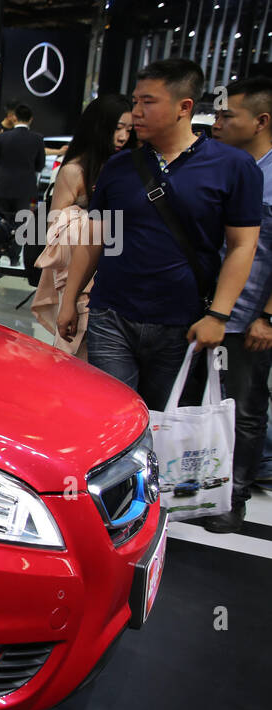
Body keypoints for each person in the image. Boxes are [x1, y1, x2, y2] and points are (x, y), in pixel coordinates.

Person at [57, 58, 262, 413]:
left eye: (148, 102)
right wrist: (70, 298)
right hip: (112, 314)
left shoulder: (233, 166)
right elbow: (95, 237)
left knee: (166, 426)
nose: (136, 111)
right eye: (135, 100)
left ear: (184, 107)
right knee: (110, 416)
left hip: (182, 322)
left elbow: (243, 245)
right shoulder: (120, 166)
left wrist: (218, 315)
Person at [200, 77, 272, 532]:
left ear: (261, 121)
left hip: (250, 314)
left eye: (229, 116)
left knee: (244, 406)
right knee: (207, 402)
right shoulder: (222, 165)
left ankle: (236, 491)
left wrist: (267, 315)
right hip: (207, 308)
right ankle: (199, 485)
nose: (218, 122)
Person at [31, 94, 133, 357]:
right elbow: (56, 228)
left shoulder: (130, 168)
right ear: (99, 127)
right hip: (82, 278)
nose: (122, 137)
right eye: (116, 128)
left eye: (128, 129)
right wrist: (97, 221)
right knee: (75, 355)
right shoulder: (75, 171)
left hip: (119, 276)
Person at [0, 103, 45, 220]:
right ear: (31, 119)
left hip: (2, 188)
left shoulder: (1, 137)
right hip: (26, 190)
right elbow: (40, 165)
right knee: (22, 227)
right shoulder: (38, 139)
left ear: (14, 117)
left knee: (0, 223)